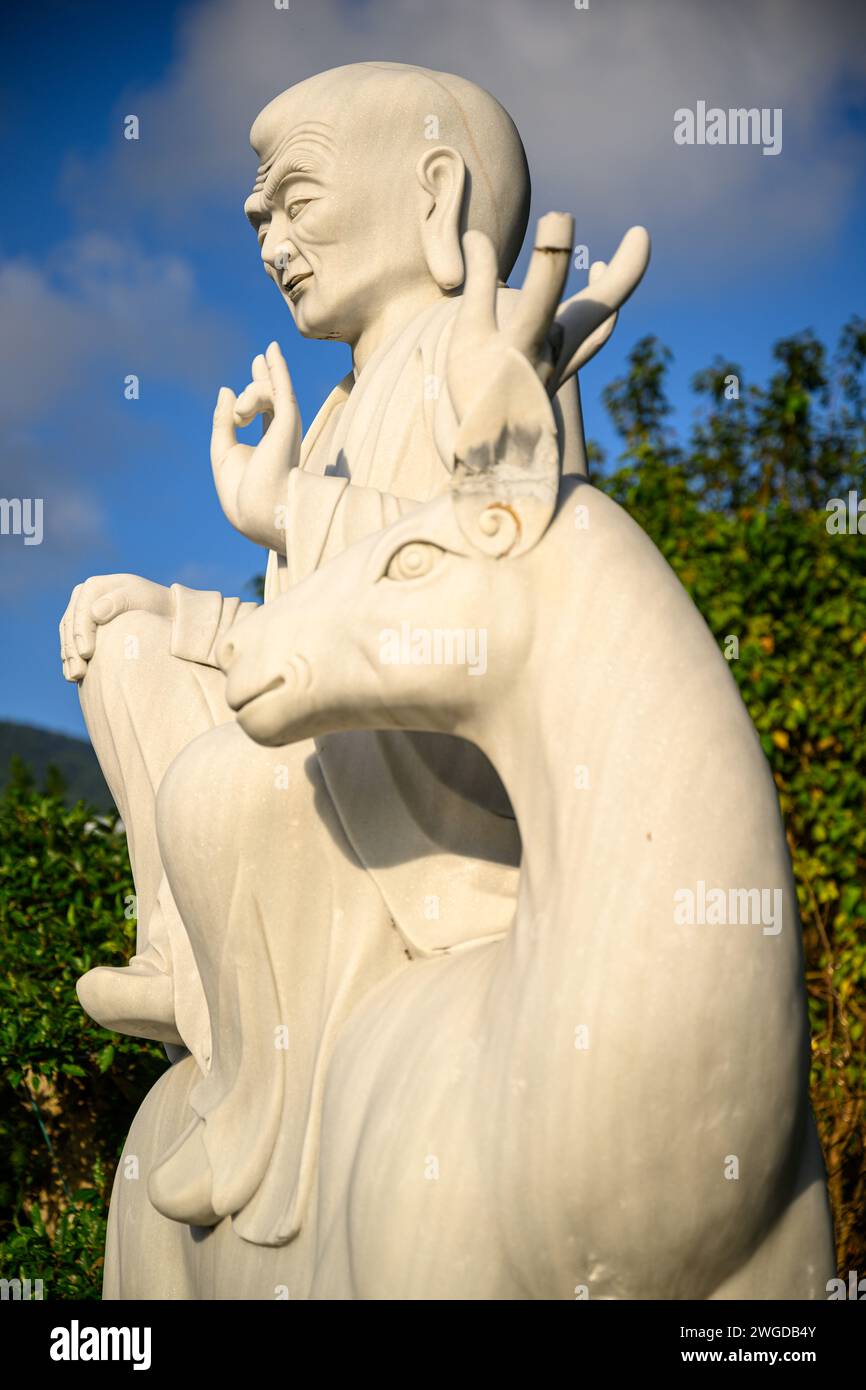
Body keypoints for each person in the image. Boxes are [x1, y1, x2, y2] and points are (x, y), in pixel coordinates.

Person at [60, 63, 593, 1245]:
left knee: (231, 780)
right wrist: (178, 610)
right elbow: (304, 642)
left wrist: (290, 507)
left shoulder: (488, 358)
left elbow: (467, 585)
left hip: (441, 800)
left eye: (294, 196)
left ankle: (261, 1106)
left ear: (434, 190)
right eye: (255, 212)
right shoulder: (349, 401)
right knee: (125, 642)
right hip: (338, 733)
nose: (266, 232)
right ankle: (184, 951)